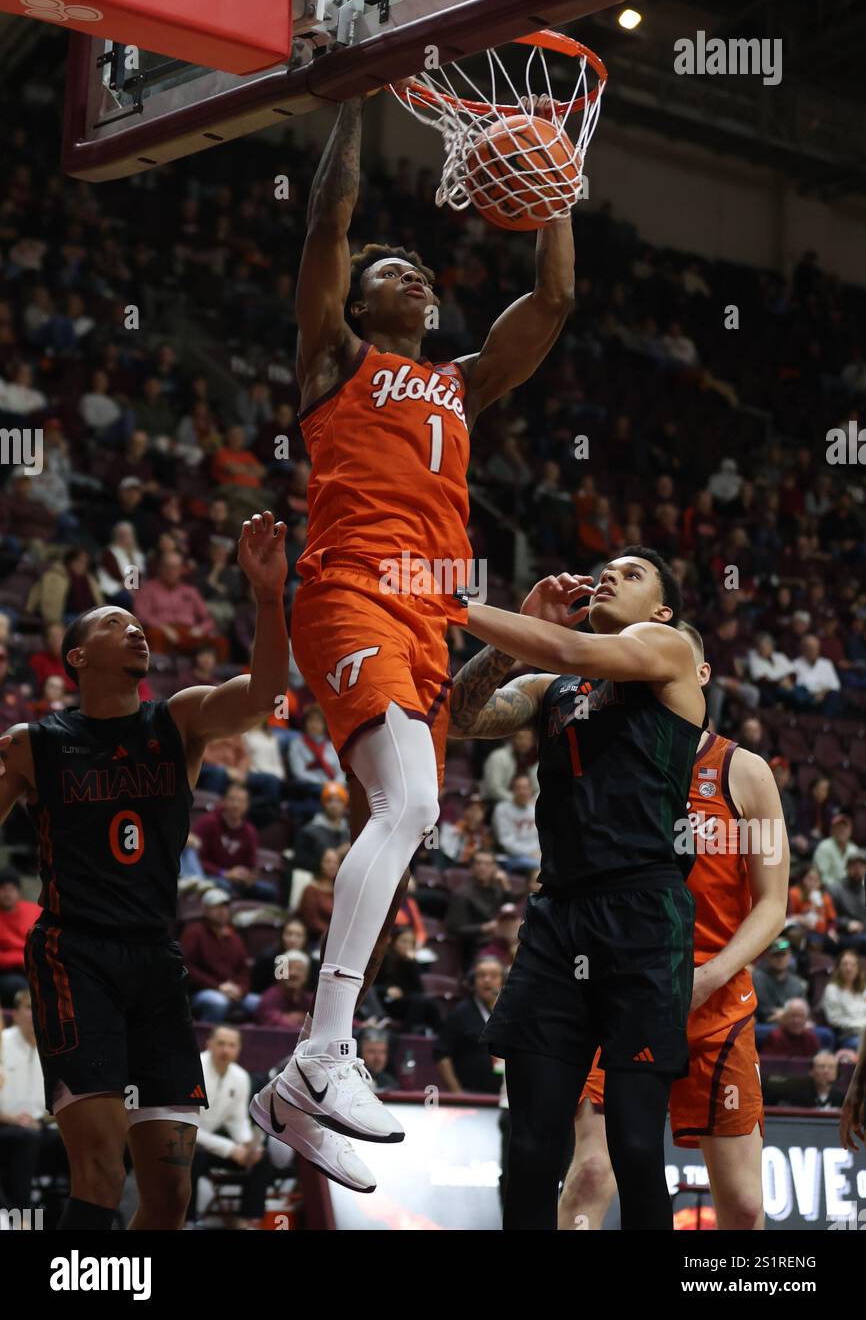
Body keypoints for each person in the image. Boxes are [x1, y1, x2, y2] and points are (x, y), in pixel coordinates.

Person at [252, 86, 575, 1186]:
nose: (418, 281)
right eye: (401, 272)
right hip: (348, 588)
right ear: (366, 297)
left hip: (427, 618)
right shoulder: (334, 359)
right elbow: (327, 226)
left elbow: (553, 295)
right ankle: (322, 1055)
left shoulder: (459, 385)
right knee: (412, 807)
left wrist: (555, 189)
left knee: (396, 851)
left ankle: (293, 1095)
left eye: (425, 275)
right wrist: (352, 92)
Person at [0, 511, 291, 1230]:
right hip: (75, 955)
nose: (135, 629)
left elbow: (263, 696)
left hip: (155, 959)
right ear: (74, 658)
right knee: (98, 1171)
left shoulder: (179, 720)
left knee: (169, 1197)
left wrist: (266, 596)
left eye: (138, 623)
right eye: (112, 622)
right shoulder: (33, 745)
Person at [448, 552, 705, 1230]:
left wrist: (453, 607)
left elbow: (569, 645)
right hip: (559, 915)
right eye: (604, 569)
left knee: (635, 1146)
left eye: (632, 572)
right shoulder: (552, 688)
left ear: (661, 609)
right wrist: (509, 638)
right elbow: (459, 718)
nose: (608, 576)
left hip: (645, 913)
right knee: (531, 1143)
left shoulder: (667, 649)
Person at [558, 627, 789, 1232]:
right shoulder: (610, 762)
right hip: (621, 994)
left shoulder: (745, 772)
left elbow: (771, 907)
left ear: (700, 674)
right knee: (590, 1175)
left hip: (714, 1002)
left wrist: (709, 977)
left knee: (741, 1206)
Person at [189, 1025, 269, 1229]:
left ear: (239, 1049)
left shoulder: (240, 1076)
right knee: (194, 1155)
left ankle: (245, 1220)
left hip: (211, 1146)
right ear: (209, 1044)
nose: (226, 1050)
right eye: (221, 1044)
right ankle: (186, 1221)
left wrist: (247, 1145)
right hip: (184, 1142)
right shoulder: (193, 1068)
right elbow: (188, 1125)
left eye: (232, 1045)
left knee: (260, 1159)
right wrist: (230, 1149)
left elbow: (237, 1121)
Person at [0, 990, 68, 1215]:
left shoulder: (55, 1050)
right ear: (16, 1014)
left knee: (79, 1137)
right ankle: (20, 1214)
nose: (34, 1014)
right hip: (6, 1124)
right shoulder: (3, 1043)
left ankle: (71, 1211)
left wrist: (40, 1121)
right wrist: (11, 1118)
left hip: (42, 1125)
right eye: (29, 1008)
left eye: (39, 1009)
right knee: (26, 1139)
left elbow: (63, 1101)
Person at [184, 782, 274, 901]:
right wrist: (224, 873)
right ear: (224, 801)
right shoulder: (209, 822)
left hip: (236, 880)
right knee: (223, 886)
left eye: (241, 801)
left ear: (247, 805)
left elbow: (250, 864)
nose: (236, 805)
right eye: (232, 800)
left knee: (269, 891)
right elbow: (196, 859)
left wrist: (248, 876)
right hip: (212, 876)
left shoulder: (250, 832)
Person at [181, 889, 260, 1023]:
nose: (222, 910)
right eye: (216, 906)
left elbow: (244, 970)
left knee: (259, 1003)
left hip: (233, 992)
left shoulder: (234, 937)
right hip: (201, 991)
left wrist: (240, 989)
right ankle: (206, 1041)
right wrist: (218, 986)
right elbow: (187, 967)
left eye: (225, 906)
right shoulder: (194, 932)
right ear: (205, 909)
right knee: (217, 1002)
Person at [434, 958, 505, 1094]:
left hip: (504, 1096)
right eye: (481, 975)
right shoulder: (460, 1013)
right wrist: (457, 1093)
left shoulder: (508, 1012)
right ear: (473, 980)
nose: (487, 980)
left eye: (493, 976)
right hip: (471, 1095)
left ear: (503, 981)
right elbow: (441, 1054)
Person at [445, 849, 511, 968]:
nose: (482, 867)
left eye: (487, 864)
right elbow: (454, 928)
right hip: (476, 947)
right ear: (472, 867)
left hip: (499, 943)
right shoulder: (462, 894)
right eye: (478, 863)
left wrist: (506, 886)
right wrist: (484, 928)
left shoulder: (497, 888)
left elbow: (509, 908)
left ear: (494, 868)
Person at [0, 868, 40, 1007]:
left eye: (11, 889)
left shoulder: (34, 910)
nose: (7, 893)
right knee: (19, 986)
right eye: (3, 889)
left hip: (36, 965)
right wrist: (19, 959)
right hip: (9, 972)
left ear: (19, 892)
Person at [293, 781, 351, 874]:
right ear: (323, 804)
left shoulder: (349, 834)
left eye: (338, 801)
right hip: (316, 880)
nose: (333, 805)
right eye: (329, 800)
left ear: (344, 805)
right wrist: (336, 855)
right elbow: (299, 861)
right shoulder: (308, 831)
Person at [492, 774, 542, 873]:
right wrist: (530, 853)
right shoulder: (502, 809)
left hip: (536, 855)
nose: (522, 792)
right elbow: (506, 842)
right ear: (512, 790)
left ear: (531, 790)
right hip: (511, 857)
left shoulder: (534, 810)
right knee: (542, 865)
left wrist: (539, 853)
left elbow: (538, 839)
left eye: (525, 788)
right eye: (518, 788)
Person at [752, 938, 807, 1026]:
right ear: (767, 957)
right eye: (776, 955)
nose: (780, 959)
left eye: (783, 955)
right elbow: (763, 1011)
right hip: (765, 1024)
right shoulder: (757, 978)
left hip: (793, 1024)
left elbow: (803, 1009)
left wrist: (786, 1015)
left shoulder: (796, 982)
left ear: (790, 957)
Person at [254, 950, 314, 1029]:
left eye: (299, 969)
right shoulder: (270, 997)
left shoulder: (311, 1000)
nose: (293, 973)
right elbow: (273, 1022)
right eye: (289, 968)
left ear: (306, 976)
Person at [822, 950, 866, 1050]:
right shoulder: (832, 989)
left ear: (858, 969)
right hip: (847, 1035)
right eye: (845, 964)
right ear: (838, 968)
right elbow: (834, 1020)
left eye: (853, 965)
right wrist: (861, 1026)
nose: (849, 968)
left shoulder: (863, 989)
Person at [787, 865, 837, 952]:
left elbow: (831, 919)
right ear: (803, 879)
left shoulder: (825, 897)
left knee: (832, 942)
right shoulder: (794, 893)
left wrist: (831, 930)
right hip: (801, 929)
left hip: (820, 932)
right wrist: (799, 918)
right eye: (810, 879)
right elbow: (788, 915)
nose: (813, 883)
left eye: (816, 880)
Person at [297, 848, 340, 942]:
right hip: (314, 939)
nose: (332, 865)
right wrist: (332, 935)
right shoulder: (311, 889)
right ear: (320, 863)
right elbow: (311, 921)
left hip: (334, 939)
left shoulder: (339, 892)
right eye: (328, 862)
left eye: (335, 863)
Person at [828, 852, 866, 954]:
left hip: (862, 930)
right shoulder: (835, 889)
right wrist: (846, 923)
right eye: (854, 866)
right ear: (847, 868)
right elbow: (829, 917)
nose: (858, 870)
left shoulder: (863, 889)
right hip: (842, 933)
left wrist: (862, 925)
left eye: (862, 866)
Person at [814, 813, 859, 887]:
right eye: (838, 827)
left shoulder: (854, 849)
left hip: (850, 889)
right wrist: (841, 888)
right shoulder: (824, 847)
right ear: (832, 830)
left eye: (845, 827)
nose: (841, 830)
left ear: (850, 831)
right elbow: (821, 876)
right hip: (827, 889)